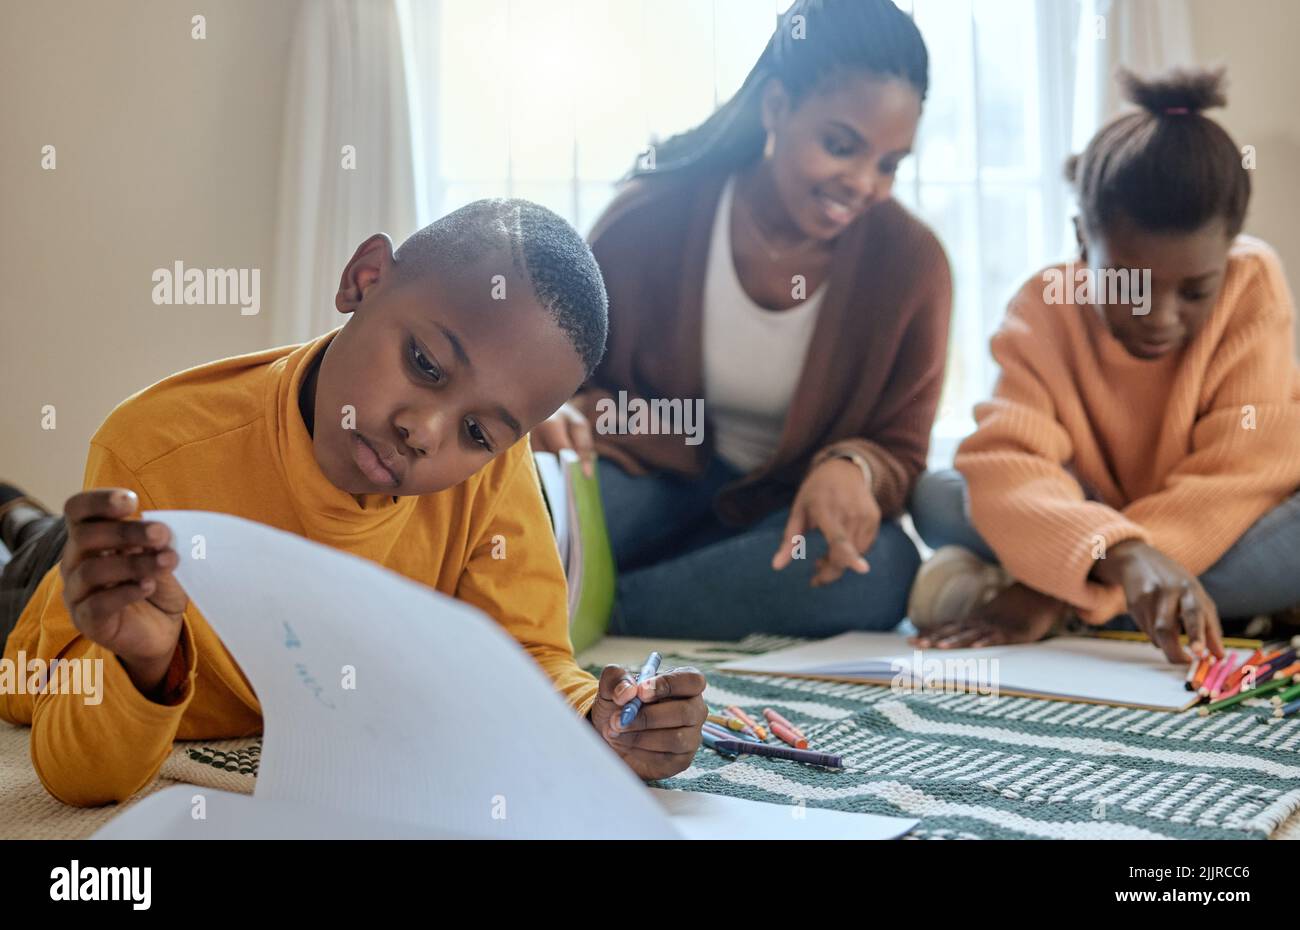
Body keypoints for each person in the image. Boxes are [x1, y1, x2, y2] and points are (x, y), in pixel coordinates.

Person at [0, 199, 707, 806]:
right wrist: (142, 663)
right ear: (364, 279)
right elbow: (72, 777)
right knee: (30, 560)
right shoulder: (157, 451)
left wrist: (599, 720)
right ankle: (24, 521)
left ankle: (20, 513)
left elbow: (526, 657)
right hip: (80, 576)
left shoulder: (492, 472)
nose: (422, 432)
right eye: (425, 364)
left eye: (476, 431)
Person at [532, 0, 952, 640]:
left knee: (882, 570)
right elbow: (556, 368)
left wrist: (853, 466)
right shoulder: (648, 219)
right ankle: (599, 588)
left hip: (779, 514)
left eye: (889, 163)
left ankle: (600, 607)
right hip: (646, 471)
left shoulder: (912, 265)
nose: (864, 183)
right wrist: (554, 409)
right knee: (532, 508)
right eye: (841, 146)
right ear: (776, 107)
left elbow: (902, 448)